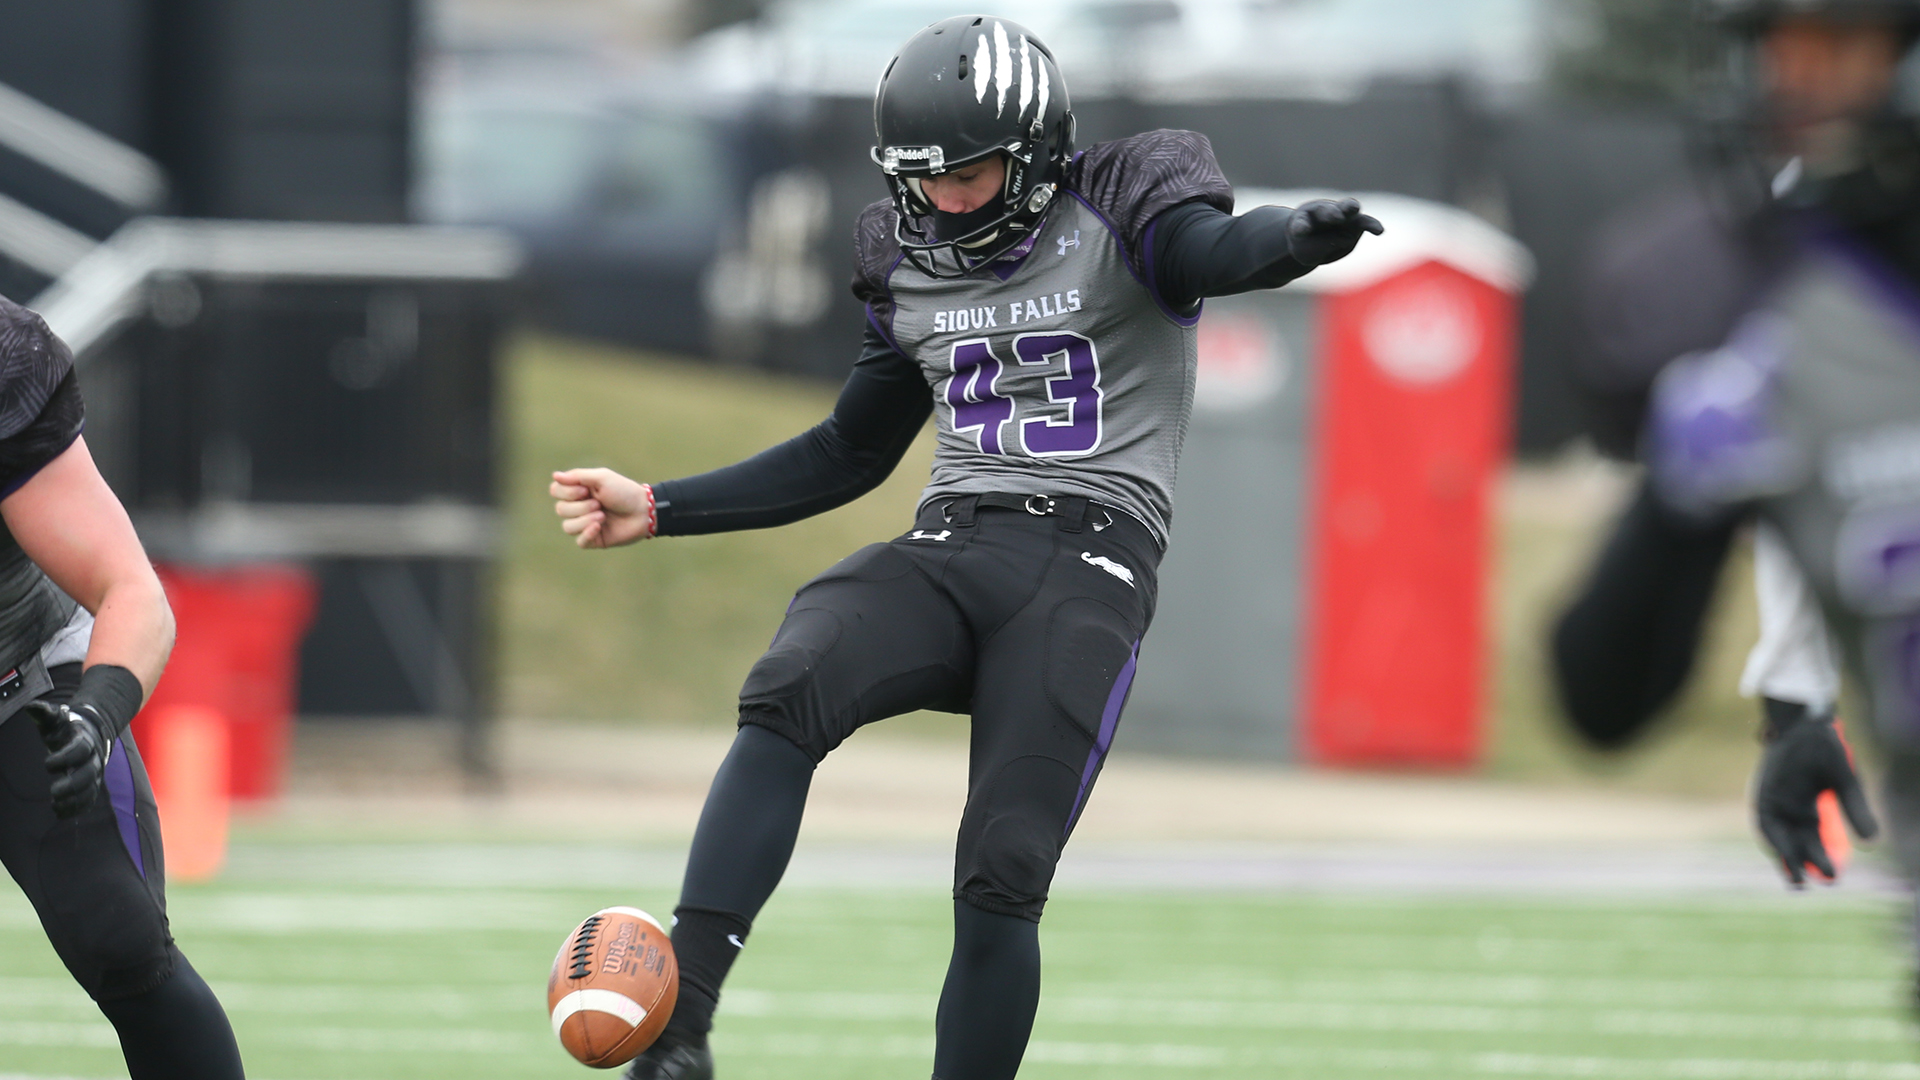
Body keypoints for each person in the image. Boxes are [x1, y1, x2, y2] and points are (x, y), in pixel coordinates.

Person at [550, 14, 1380, 1080]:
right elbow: (851, 451)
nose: (942, 199)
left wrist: (1291, 236)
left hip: (1087, 567)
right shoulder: (903, 258)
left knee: (1002, 871)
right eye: (921, 177)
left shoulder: (1126, 200)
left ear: (1034, 154)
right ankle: (685, 1026)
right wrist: (660, 504)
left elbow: (1213, 250)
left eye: (970, 174)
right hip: (950, 547)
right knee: (791, 675)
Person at [1553, 0, 1920, 907]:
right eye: (1782, 50)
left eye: (1837, 50)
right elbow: (1604, 700)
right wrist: (1798, 704)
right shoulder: (1779, 309)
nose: (1794, 83)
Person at [0, 297, 246, 1079]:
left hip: (20, 680)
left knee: (122, 940)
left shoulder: (6, 364)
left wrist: (93, 712)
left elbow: (130, 590)